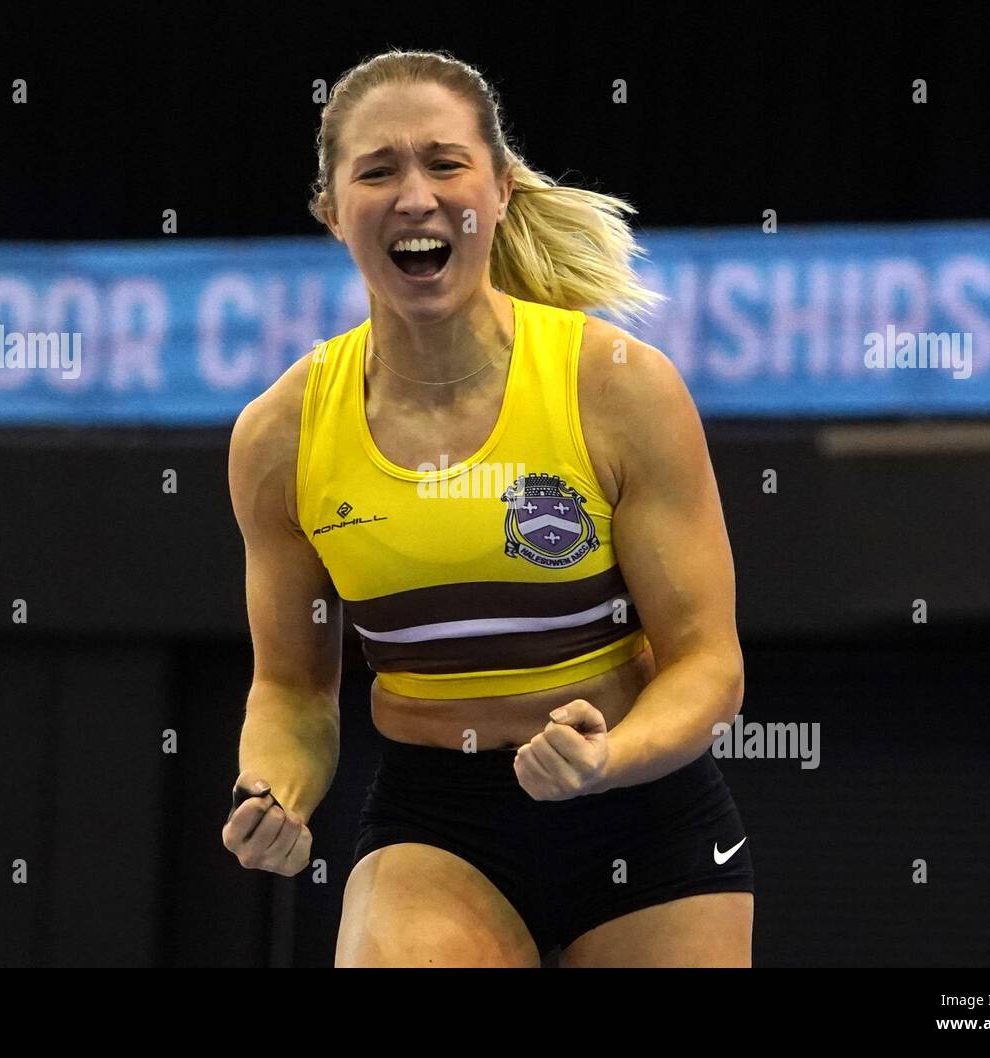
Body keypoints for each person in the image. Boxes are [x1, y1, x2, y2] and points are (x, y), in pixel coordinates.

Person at [221, 48, 753, 968]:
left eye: (445, 162)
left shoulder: (616, 387)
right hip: (442, 826)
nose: (415, 195)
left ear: (501, 191)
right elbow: (294, 690)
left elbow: (709, 665)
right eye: (377, 171)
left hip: (644, 808)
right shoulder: (281, 435)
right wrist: (275, 792)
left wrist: (605, 760)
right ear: (331, 210)